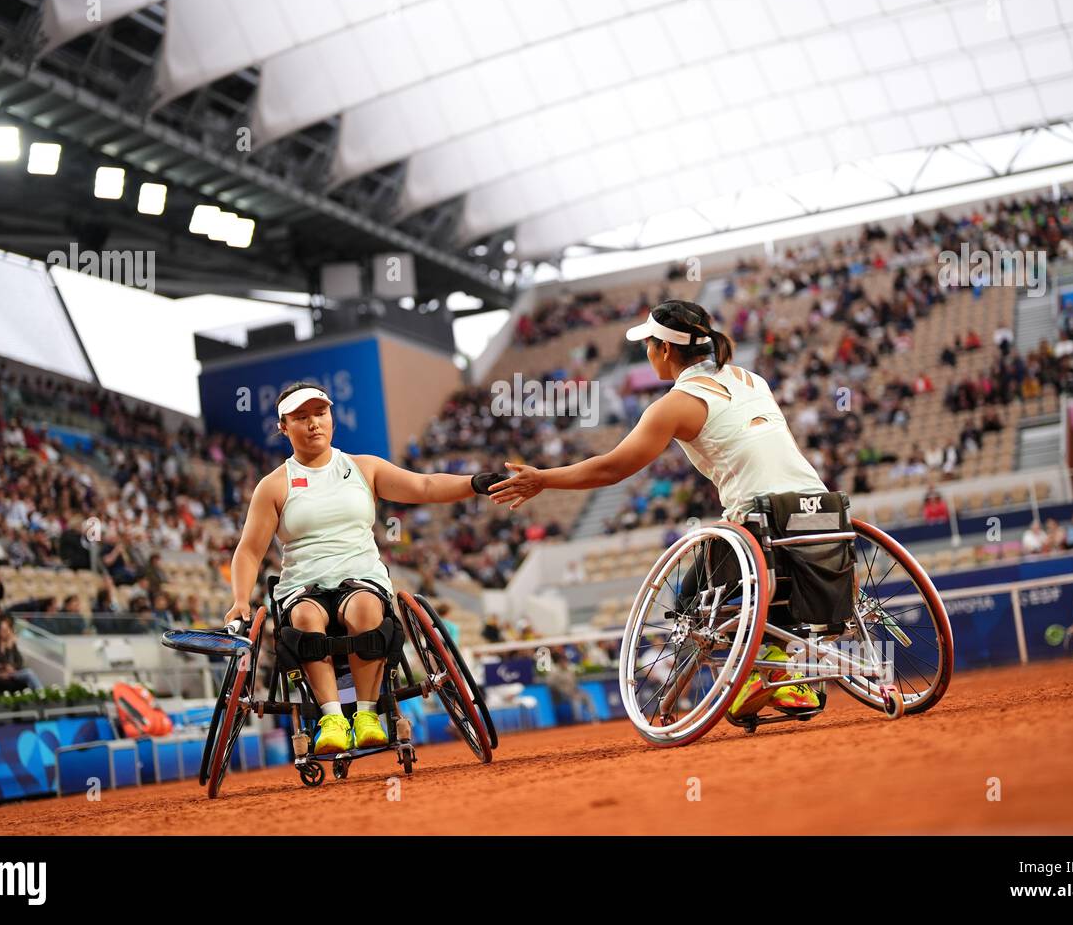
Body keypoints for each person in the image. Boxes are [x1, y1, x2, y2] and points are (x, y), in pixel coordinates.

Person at [491, 300, 827, 714]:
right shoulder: (753, 379)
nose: (647, 353)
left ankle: (768, 671)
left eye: (648, 345)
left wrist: (543, 478)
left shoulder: (675, 404)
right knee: (755, 577)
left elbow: (612, 468)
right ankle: (777, 668)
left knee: (690, 602)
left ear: (664, 350)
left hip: (762, 523)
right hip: (823, 512)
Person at [223, 383, 507, 755]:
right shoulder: (274, 485)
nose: (313, 424)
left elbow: (423, 485)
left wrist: (474, 483)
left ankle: (367, 715)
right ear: (283, 427)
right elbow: (249, 551)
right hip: (303, 586)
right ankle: (332, 718)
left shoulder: (363, 468)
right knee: (306, 617)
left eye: (320, 414)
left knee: (365, 609)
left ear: (332, 417)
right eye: (301, 417)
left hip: (361, 579)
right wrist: (240, 600)